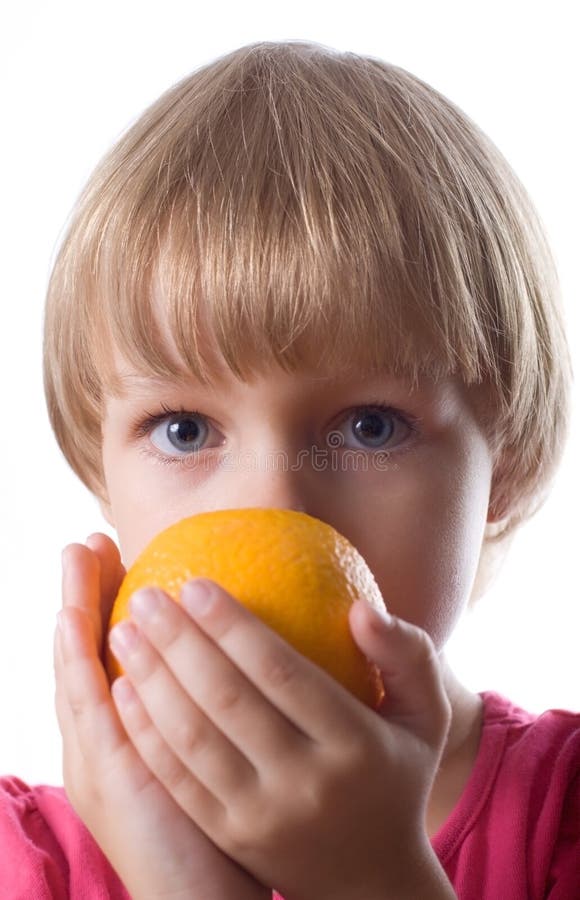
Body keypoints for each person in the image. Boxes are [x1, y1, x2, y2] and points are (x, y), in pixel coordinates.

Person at [1, 40, 578, 899]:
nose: (276, 504)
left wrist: (375, 880)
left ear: (513, 463)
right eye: (187, 430)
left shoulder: (562, 817)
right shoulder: (28, 862)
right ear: (99, 471)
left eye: (371, 426)